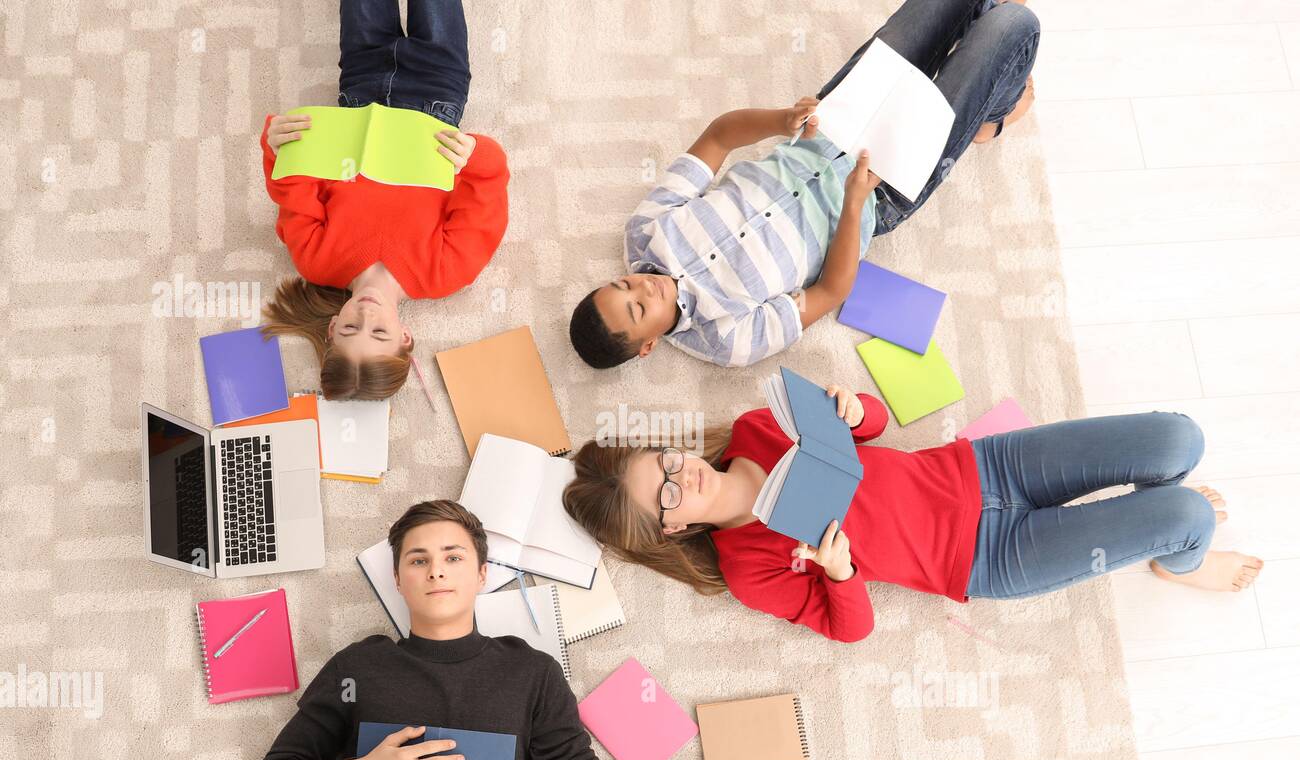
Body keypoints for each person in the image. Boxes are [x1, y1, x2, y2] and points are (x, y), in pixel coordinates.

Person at [561, 388, 1264, 643]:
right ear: (671, 530)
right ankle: (1181, 565)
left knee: (1183, 440)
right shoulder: (749, 568)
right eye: (667, 494)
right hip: (992, 557)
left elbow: (875, 424)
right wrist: (840, 572)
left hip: (986, 467)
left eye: (666, 459)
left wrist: (851, 409)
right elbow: (853, 631)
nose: (683, 472)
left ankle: (1163, 525)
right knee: (1187, 522)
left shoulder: (756, 426)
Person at [568, 0, 1039, 370]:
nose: (643, 288)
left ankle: (982, 112)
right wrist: (854, 205)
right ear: (648, 345)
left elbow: (716, 139)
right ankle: (989, 115)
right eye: (636, 309)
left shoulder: (644, 231)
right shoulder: (727, 339)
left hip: (829, 123)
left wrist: (783, 119)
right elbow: (829, 294)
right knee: (1012, 25)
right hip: (881, 186)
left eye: (623, 284)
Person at [256, 500, 604, 760]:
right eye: (418, 560)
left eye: (453, 558)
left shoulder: (532, 673)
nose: (436, 571)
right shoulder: (358, 667)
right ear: (397, 579)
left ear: (482, 574)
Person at [258, 0, 509, 399]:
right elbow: (489, 191)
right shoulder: (445, 273)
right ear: (405, 337)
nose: (366, 314)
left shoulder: (315, 260)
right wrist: (474, 154)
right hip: (436, 92)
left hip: (360, 86)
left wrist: (277, 145)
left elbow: (293, 184)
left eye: (350, 328)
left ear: (332, 326)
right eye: (380, 331)